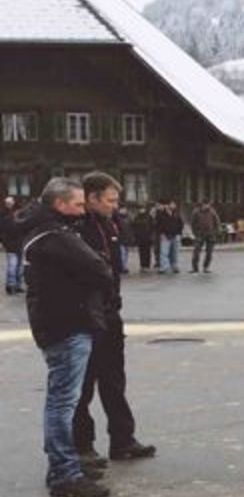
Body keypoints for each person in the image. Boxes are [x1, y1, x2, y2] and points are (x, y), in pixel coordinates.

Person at [19, 178, 116, 497]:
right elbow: (98, 268)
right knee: (63, 401)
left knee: (62, 399)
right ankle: (64, 473)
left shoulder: (44, 232)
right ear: (59, 204)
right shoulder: (56, 236)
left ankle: (64, 465)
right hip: (68, 324)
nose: (81, 209)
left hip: (55, 324)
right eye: (76, 203)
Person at [72, 172, 156, 469]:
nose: (115, 205)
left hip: (110, 314)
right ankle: (83, 447)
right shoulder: (77, 227)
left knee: (114, 380)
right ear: (92, 198)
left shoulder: (108, 224)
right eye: (110, 200)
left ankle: (122, 439)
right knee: (82, 387)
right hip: (86, 318)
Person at [2, 195, 25, 294]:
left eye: (11, 202)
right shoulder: (3, 215)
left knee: (19, 267)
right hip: (10, 244)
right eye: (8, 203)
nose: (10, 204)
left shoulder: (17, 214)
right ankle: (11, 286)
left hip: (19, 243)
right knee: (13, 266)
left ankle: (17, 285)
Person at [189, 199, 220, 273]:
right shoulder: (196, 212)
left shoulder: (212, 212)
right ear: (202, 204)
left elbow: (217, 222)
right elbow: (192, 223)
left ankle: (206, 267)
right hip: (200, 234)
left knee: (209, 252)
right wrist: (195, 233)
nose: (207, 206)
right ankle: (195, 268)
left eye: (208, 205)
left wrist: (215, 232)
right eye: (205, 205)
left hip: (210, 234)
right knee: (196, 251)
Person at [155, 200, 183, 273]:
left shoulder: (176, 215)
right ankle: (164, 267)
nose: (173, 206)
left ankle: (174, 266)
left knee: (174, 253)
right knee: (164, 252)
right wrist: (161, 233)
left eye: (174, 204)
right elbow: (158, 224)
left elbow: (181, 224)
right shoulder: (161, 214)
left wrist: (179, 233)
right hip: (165, 235)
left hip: (174, 235)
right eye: (171, 204)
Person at [132, 204, 155, 272]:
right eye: (140, 209)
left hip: (147, 237)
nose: (141, 210)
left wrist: (151, 236)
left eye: (143, 209)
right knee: (141, 252)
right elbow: (134, 227)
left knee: (147, 252)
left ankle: (147, 265)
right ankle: (142, 265)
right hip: (140, 238)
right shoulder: (137, 217)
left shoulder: (149, 217)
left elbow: (152, 227)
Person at [115, 207, 132, 273]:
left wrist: (131, 238)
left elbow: (130, 229)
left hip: (127, 238)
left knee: (126, 253)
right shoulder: (117, 218)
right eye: (122, 209)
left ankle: (124, 266)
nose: (124, 210)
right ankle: (122, 267)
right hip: (121, 238)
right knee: (122, 253)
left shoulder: (128, 218)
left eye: (125, 209)